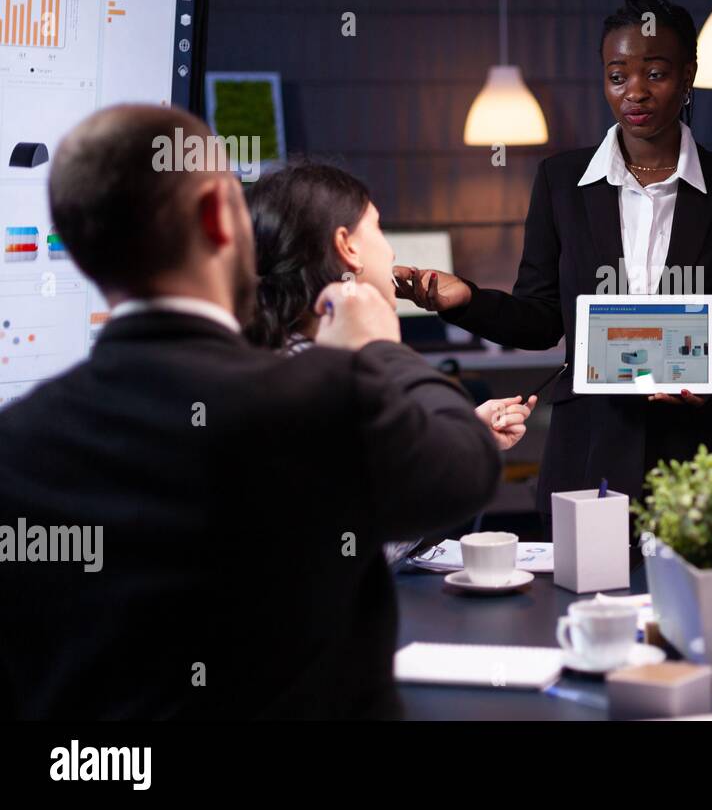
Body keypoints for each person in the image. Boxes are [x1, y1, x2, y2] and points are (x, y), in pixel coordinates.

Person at [0, 105, 501, 719]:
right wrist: (378, 352)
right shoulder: (318, 393)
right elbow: (465, 470)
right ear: (219, 217)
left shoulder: (16, 443)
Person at [396, 0, 712, 513]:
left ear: (688, 76)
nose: (635, 91)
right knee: (582, 569)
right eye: (617, 75)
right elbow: (541, 320)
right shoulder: (561, 182)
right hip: (589, 445)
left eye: (656, 74)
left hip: (697, 445)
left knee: (695, 570)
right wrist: (465, 299)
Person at [243, 162, 536, 564]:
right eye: (377, 228)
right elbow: (365, 542)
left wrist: (462, 436)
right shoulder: (328, 383)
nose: (392, 251)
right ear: (347, 247)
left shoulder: (268, 360)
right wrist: (384, 349)